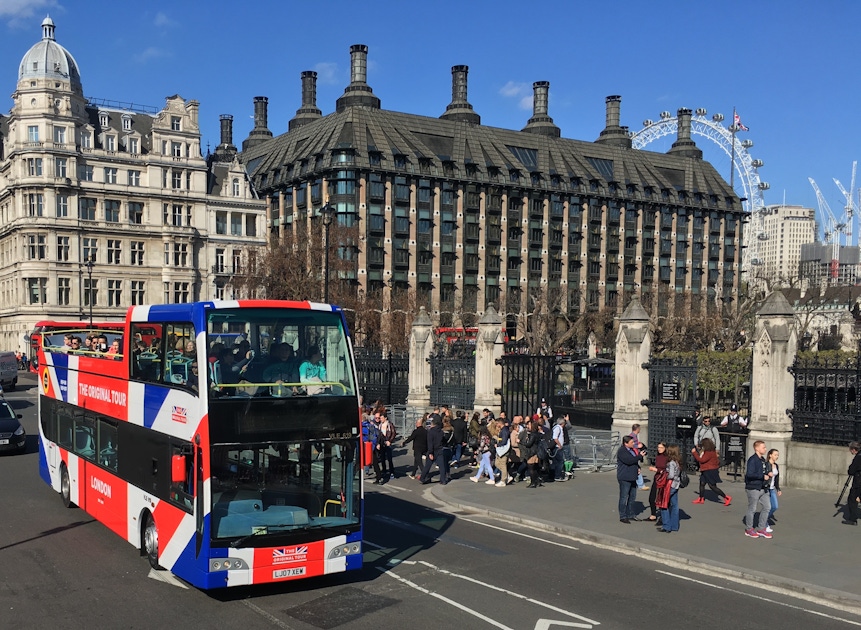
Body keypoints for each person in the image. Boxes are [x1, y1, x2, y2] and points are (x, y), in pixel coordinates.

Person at [744, 440, 773, 538]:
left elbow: (763, 470)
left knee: (767, 507)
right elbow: (749, 474)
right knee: (752, 508)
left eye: (765, 447)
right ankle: (749, 529)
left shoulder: (762, 459)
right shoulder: (752, 460)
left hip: (762, 487)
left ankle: (761, 528)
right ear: (757, 448)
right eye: (763, 447)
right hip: (753, 487)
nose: (765, 449)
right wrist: (762, 476)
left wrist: (768, 473)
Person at [691, 437, 730, 506]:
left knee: (712, 486)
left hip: (710, 471)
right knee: (702, 483)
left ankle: (726, 497)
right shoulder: (710, 451)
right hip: (706, 470)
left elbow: (701, 460)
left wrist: (694, 453)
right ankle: (701, 498)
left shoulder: (709, 452)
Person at [616, 435, 643, 523]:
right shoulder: (622, 451)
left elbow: (634, 461)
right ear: (626, 443)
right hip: (625, 477)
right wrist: (639, 456)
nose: (634, 444)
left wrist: (638, 467)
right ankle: (623, 516)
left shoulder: (631, 450)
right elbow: (629, 461)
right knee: (624, 497)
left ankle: (631, 514)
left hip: (632, 476)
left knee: (632, 497)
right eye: (632, 442)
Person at [420, 416, 448, 485]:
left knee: (427, 466)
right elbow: (444, 441)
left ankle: (422, 478)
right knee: (442, 466)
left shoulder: (430, 432)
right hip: (440, 450)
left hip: (432, 451)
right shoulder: (441, 432)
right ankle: (443, 480)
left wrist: (430, 452)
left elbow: (430, 443)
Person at [660, 444, 682, 533]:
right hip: (676, 484)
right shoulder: (677, 462)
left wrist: (663, 473)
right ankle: (674, 526)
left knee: (664, 505)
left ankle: (666, 526)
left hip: (670, 485)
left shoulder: (671, 463)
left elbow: (671, 475)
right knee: (675, 505)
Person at [647, 442, 668, 523]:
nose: (659, 449)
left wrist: (657, 470)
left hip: (664, 480)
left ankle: (663, 517)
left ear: (665, 448)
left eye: (661, 447)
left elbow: (667, 470)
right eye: (658, 447)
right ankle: (653, 515)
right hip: (657, 478)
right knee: (652, 497)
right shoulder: (658, 456)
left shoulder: (667, 457)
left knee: (662, 499)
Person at [520, 419, 542, 488]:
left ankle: (533, 482)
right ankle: (537, 481)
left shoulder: (533, 434)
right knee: (535, 468)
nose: (527, 426)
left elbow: (529, 444)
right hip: (536, 452)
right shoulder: (537, 433)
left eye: (529, 425)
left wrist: (520, 442)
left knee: (531, 468)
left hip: (532, 452)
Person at [843, 441, 861, 526]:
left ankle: (853, 519)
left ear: (854, 449)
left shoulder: (858, 457)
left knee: (852, 499)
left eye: (851, 450)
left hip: (858, 481)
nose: (850, 452)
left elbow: (851, 470)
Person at [629, 424, 649, 491]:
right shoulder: (632, 436)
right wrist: (638, 446)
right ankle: (641, 485)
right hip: (634, 454)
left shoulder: (634, 436)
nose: (640, 430)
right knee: (637, 469)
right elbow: (630, 445)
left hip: (635, 454)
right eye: (639, 428)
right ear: (637, 429)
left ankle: (639, 484)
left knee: (637, 469)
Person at [765, 448, 781, 532]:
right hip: (766, 489)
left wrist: (778, 488)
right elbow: (763, 474)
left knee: (775, 506)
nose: (777, 456)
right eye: (775, 455)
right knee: (767, 507)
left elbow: (776, 478)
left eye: (777, 455)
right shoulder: (766, 464)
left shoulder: (776, 466)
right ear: (770, 455)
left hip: (772, 489)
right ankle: (765, 523)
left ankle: (764, 517)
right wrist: (767, 474)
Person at [493, 417, 511, 487]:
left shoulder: (504, 431)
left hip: (504, 450)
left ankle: (503, 480)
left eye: (497, 423)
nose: (496, 425)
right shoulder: (502, 430)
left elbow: (504, 441)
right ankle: (507, 476)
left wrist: (498, 444)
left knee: (503, 465)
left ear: (500, 423)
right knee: (497, 464)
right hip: (500, 450)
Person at [379, 412, 397, 479]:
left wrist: (390, 441)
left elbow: (393, 433)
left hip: (387, 443)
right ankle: (384, 471)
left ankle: (392, 472)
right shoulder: (380, 425)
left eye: (382, 418)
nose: (381, 419)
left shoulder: (389, 424)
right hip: (382, 443)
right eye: (380, 418)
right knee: (382, 458)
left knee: (389, 458)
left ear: (385, 418)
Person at [550, 416, 567, 482]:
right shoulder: (558, 428)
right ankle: (557, 476)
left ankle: (553, 475)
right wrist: (560, 445)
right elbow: (555, 438)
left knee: (555, 462)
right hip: (557, 448)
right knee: (560, 462)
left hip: (556, 447)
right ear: (562, 423)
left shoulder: (556, 427)